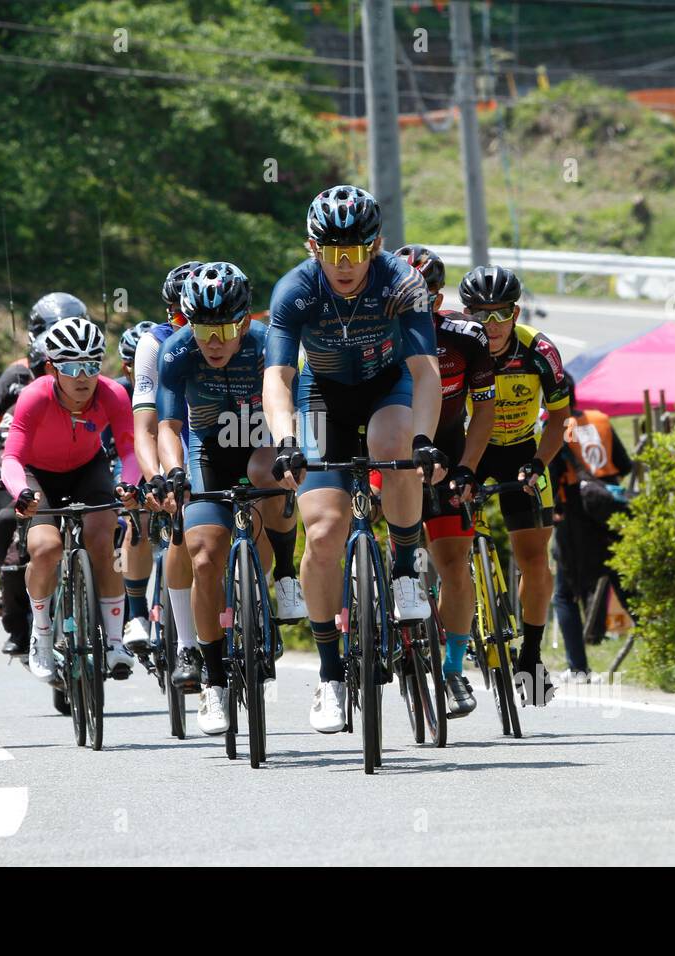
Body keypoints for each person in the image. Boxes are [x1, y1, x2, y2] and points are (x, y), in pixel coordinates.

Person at [264, 184, 444, 735]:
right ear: (312, 247)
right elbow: (278, 376)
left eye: (356, 251)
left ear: (377, 246)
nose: (344, 265)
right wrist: (286, 438)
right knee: (322, 534)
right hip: (322, 397)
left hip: (387, 386)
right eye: (332, 252)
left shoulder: (399, 282)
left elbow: (425, 373)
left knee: (396, 449)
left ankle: (408, 566)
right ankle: (330, 674)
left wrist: (425, 440)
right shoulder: (294, 289)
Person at [155, 262, 306, 736]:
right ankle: (214, 683)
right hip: (206, 448)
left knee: (269, 471)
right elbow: (169, 426)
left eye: (223, 328)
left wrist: (293, 449)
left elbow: (296, 403)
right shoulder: (178, 350)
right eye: (203, 327)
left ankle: (284, 572)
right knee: (203, 556)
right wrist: (174, 471)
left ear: (243, 321)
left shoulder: (267, 343)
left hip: (260, 438)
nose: (213, 341)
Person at [1, 315, 140, 683]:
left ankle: (114, 642)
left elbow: (129, 450)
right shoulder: (34, 397)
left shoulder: (112, 394)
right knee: (45, 548)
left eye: (91, 365)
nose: (83, 377)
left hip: (87, 468)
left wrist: (127, 485)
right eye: (72, 367)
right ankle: (42, 634)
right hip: (37, 474)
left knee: (102, 536)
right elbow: (11, 457)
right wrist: (22, 493)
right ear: (51, 368)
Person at [393, 244, 497, 717]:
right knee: (387, 550)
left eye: (429, 297)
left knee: (454, 564)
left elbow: (485, 410)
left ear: (439, 298)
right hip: (391, 455)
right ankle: (372, 623)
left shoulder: (466, 337)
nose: (420, 307)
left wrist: (468, 468)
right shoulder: (370, 337)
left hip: (448, 453)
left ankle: (453, 670)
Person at [460, 265, 569, 706]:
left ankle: (531, 655)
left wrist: (539, 464)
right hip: (471, 449)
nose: (491, 326)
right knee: (448, 540)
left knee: (534, 558)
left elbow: (560, 419)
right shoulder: (459, 347)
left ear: (515, 311)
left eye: (499, 314)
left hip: (523, 450)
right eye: (480, 316)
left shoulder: (539, 350)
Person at [0, 292, 85, 657]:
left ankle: (105, 605)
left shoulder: (88, 371)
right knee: (7, 519)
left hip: (74, 460)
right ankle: (17, 619)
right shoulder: (17, 371)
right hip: (21, 460)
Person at [131, 260, 203, 689]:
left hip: (220, 437)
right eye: (178, 315)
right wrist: (157, 476)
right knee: (179, 527)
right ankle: (185, 643)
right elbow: (145, 426)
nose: (187, 326)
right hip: (172, 439)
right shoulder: (155, 344)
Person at [550, 372, 634, 681]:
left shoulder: (555, 429)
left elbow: (551, 474)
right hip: (610, 509)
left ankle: (579, 668)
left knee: (564, 594)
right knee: (623, 581)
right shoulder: (599, 419)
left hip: (574, 515)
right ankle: (664, 648)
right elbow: (625, 465)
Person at [109, 320, 157, 656]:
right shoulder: (116, 391)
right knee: (130, 521)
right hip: (120, 462)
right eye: (131, 365)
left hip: (157, 457)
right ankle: (133, 611)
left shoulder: (168, 378)